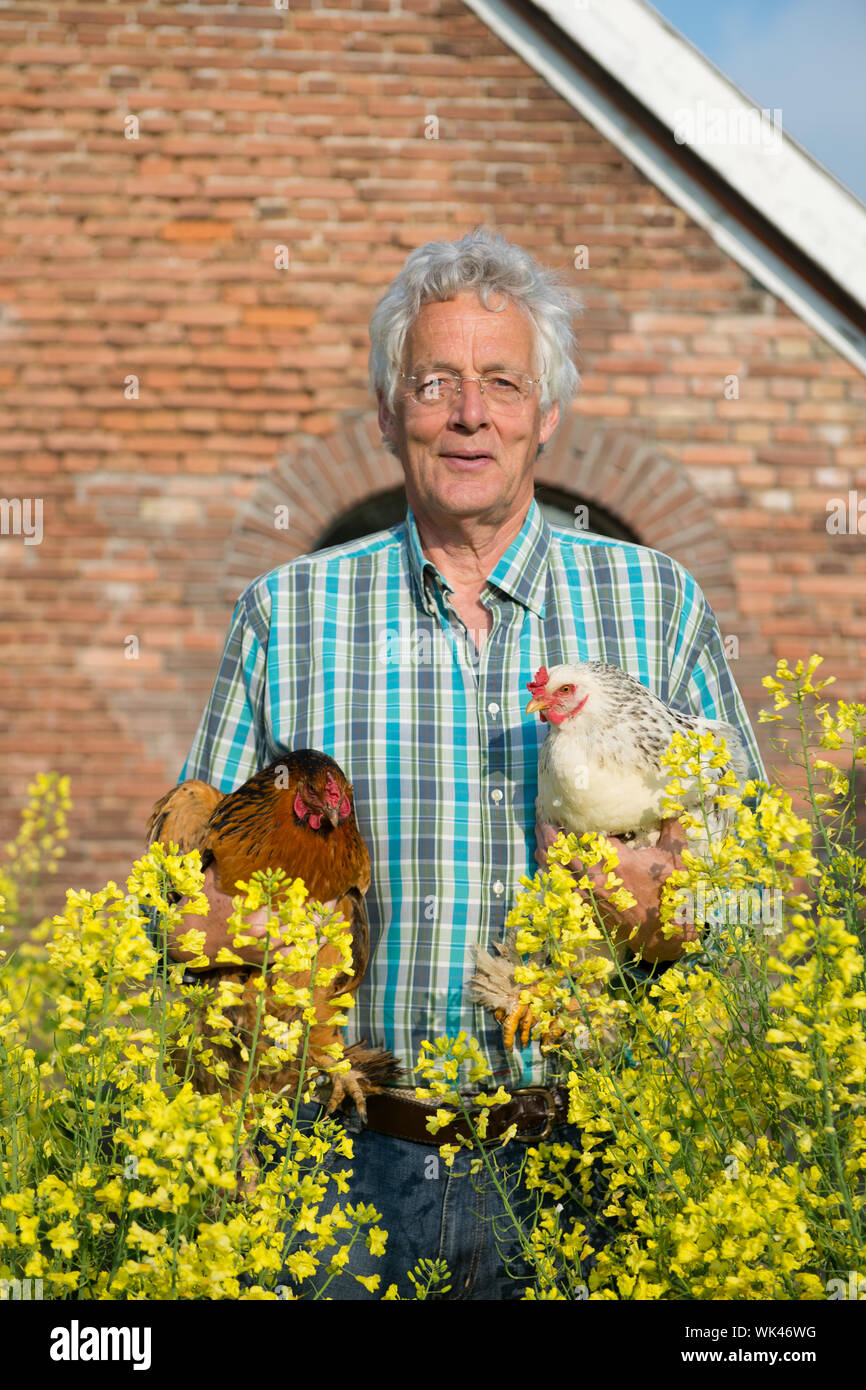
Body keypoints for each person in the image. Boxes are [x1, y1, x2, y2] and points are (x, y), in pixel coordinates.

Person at [163, 228, 766, 1299]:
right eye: (434, 381)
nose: (468, 411)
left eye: (499, 381)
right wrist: (223, 932)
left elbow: (766, 879)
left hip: (593, 1160)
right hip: (344, 1165)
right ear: (390, 411)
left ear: (545, 412)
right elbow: (189, 883)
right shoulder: (286, 613)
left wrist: (677, 901)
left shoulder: (656, 601)